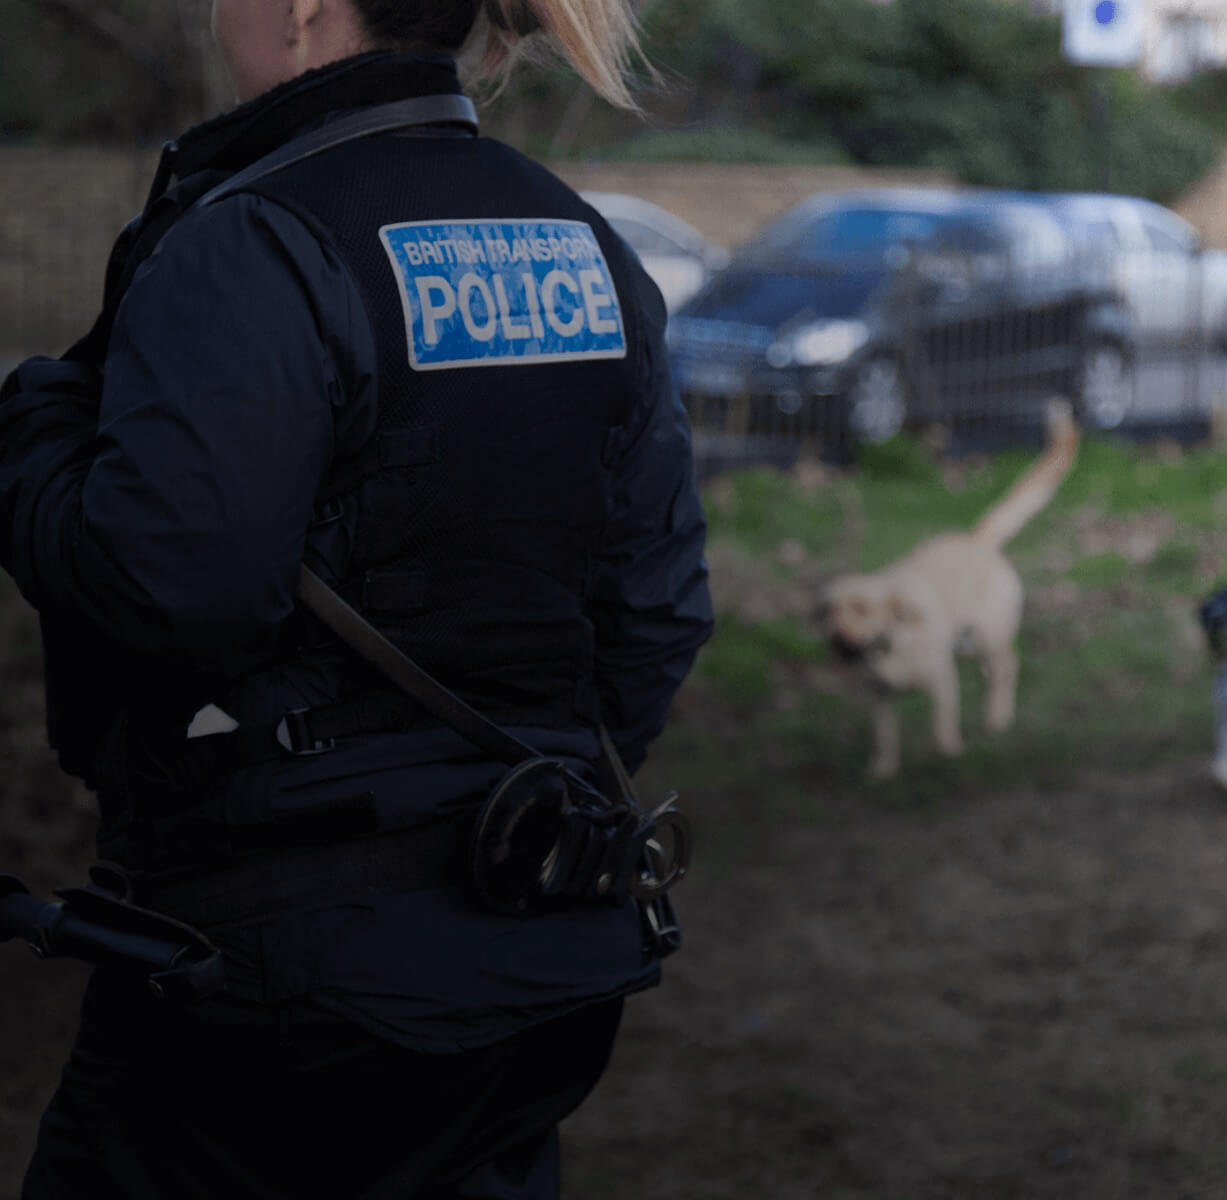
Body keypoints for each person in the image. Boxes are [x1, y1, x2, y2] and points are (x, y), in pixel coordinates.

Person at [0, 0, 713, 1195]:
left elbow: (169, 593)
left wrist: (34, 429)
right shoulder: (584, 244)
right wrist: (500, 803)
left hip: (275, 1000)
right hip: (540, 953)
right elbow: (656, 615)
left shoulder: (251, 240)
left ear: (301, 7)